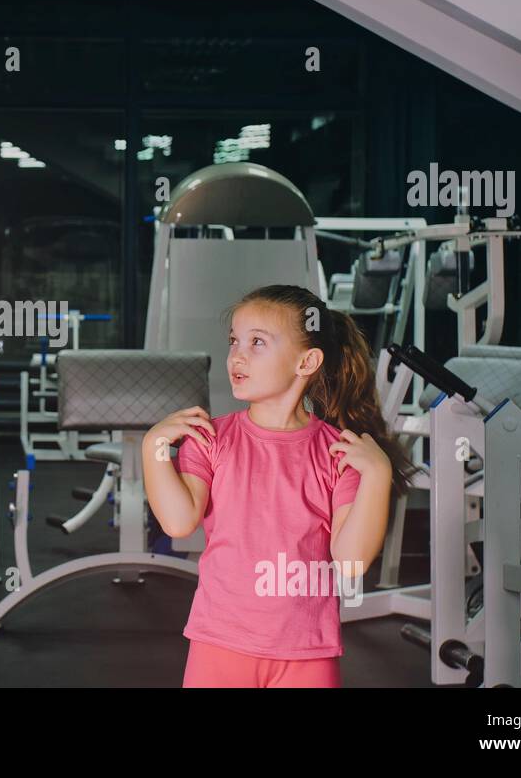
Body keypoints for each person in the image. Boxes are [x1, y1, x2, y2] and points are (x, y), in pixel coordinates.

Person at [142, 284, 414, 687]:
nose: (237, 354)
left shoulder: (338, 453)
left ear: (307, 361)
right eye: (234, 341)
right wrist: (154, 446)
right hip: (220, 642)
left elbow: (352, 560)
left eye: (257, 343)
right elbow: (179, 522)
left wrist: (377, 475)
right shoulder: (211, 438)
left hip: (306, 652)